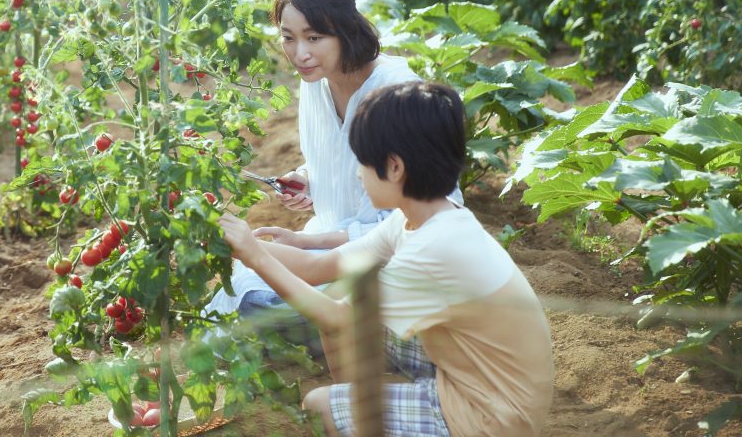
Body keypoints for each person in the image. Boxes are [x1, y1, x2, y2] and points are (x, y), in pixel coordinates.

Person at [219, 81, 554, 437]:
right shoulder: (421, 217)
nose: (359, 174)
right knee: (338, 307)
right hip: (475, 379)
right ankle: (370, 416)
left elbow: (337, 319)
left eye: (363, 163)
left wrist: (255, 257)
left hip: (491, 419)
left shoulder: (435, 248)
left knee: (319, 406)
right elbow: (321, 267)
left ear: (394, 168)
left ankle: (371, 418)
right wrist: (231, 243)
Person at [206, 0, 461, 317]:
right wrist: (309, 178)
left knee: (276, 304)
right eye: (289, 38)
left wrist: (303, 243)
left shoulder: (393, 93)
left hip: (400, 252)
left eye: (313, 38)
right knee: (248, 290)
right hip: (335, 243)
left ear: (344, 30)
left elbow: (413, 219)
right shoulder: (316, 83)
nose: (299, 54)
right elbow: (346, 158)